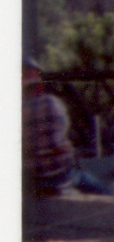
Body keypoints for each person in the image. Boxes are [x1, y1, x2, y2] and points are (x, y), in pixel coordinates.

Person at [25, 59, 77, 206]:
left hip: (31, 178)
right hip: (60, 174)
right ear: (39, 84)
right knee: (106, 192)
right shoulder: (52, 103)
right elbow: (60, 137)